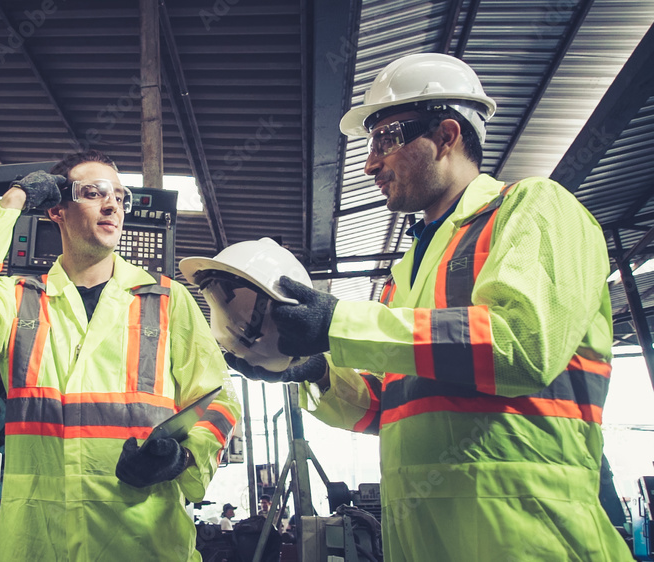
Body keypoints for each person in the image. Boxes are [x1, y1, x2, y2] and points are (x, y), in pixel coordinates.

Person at [226, 53, 633, 561]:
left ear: (446, 135)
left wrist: (336, 323)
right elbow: (386, 406)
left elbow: (521, 345)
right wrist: (316, 371)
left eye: (386, 139)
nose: (371, 162)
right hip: (421, 538)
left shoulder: (535, 208)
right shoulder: (408, 272)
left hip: (528, 538)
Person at [0, 150, 241, 561]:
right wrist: (13, 202)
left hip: (143, 540)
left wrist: (184, 457)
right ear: (56, 210)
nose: (112, 204)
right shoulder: (19, 301)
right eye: (93, 192)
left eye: (119, 195)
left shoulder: (167, 298)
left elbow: (219, 400)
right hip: (39, 541)